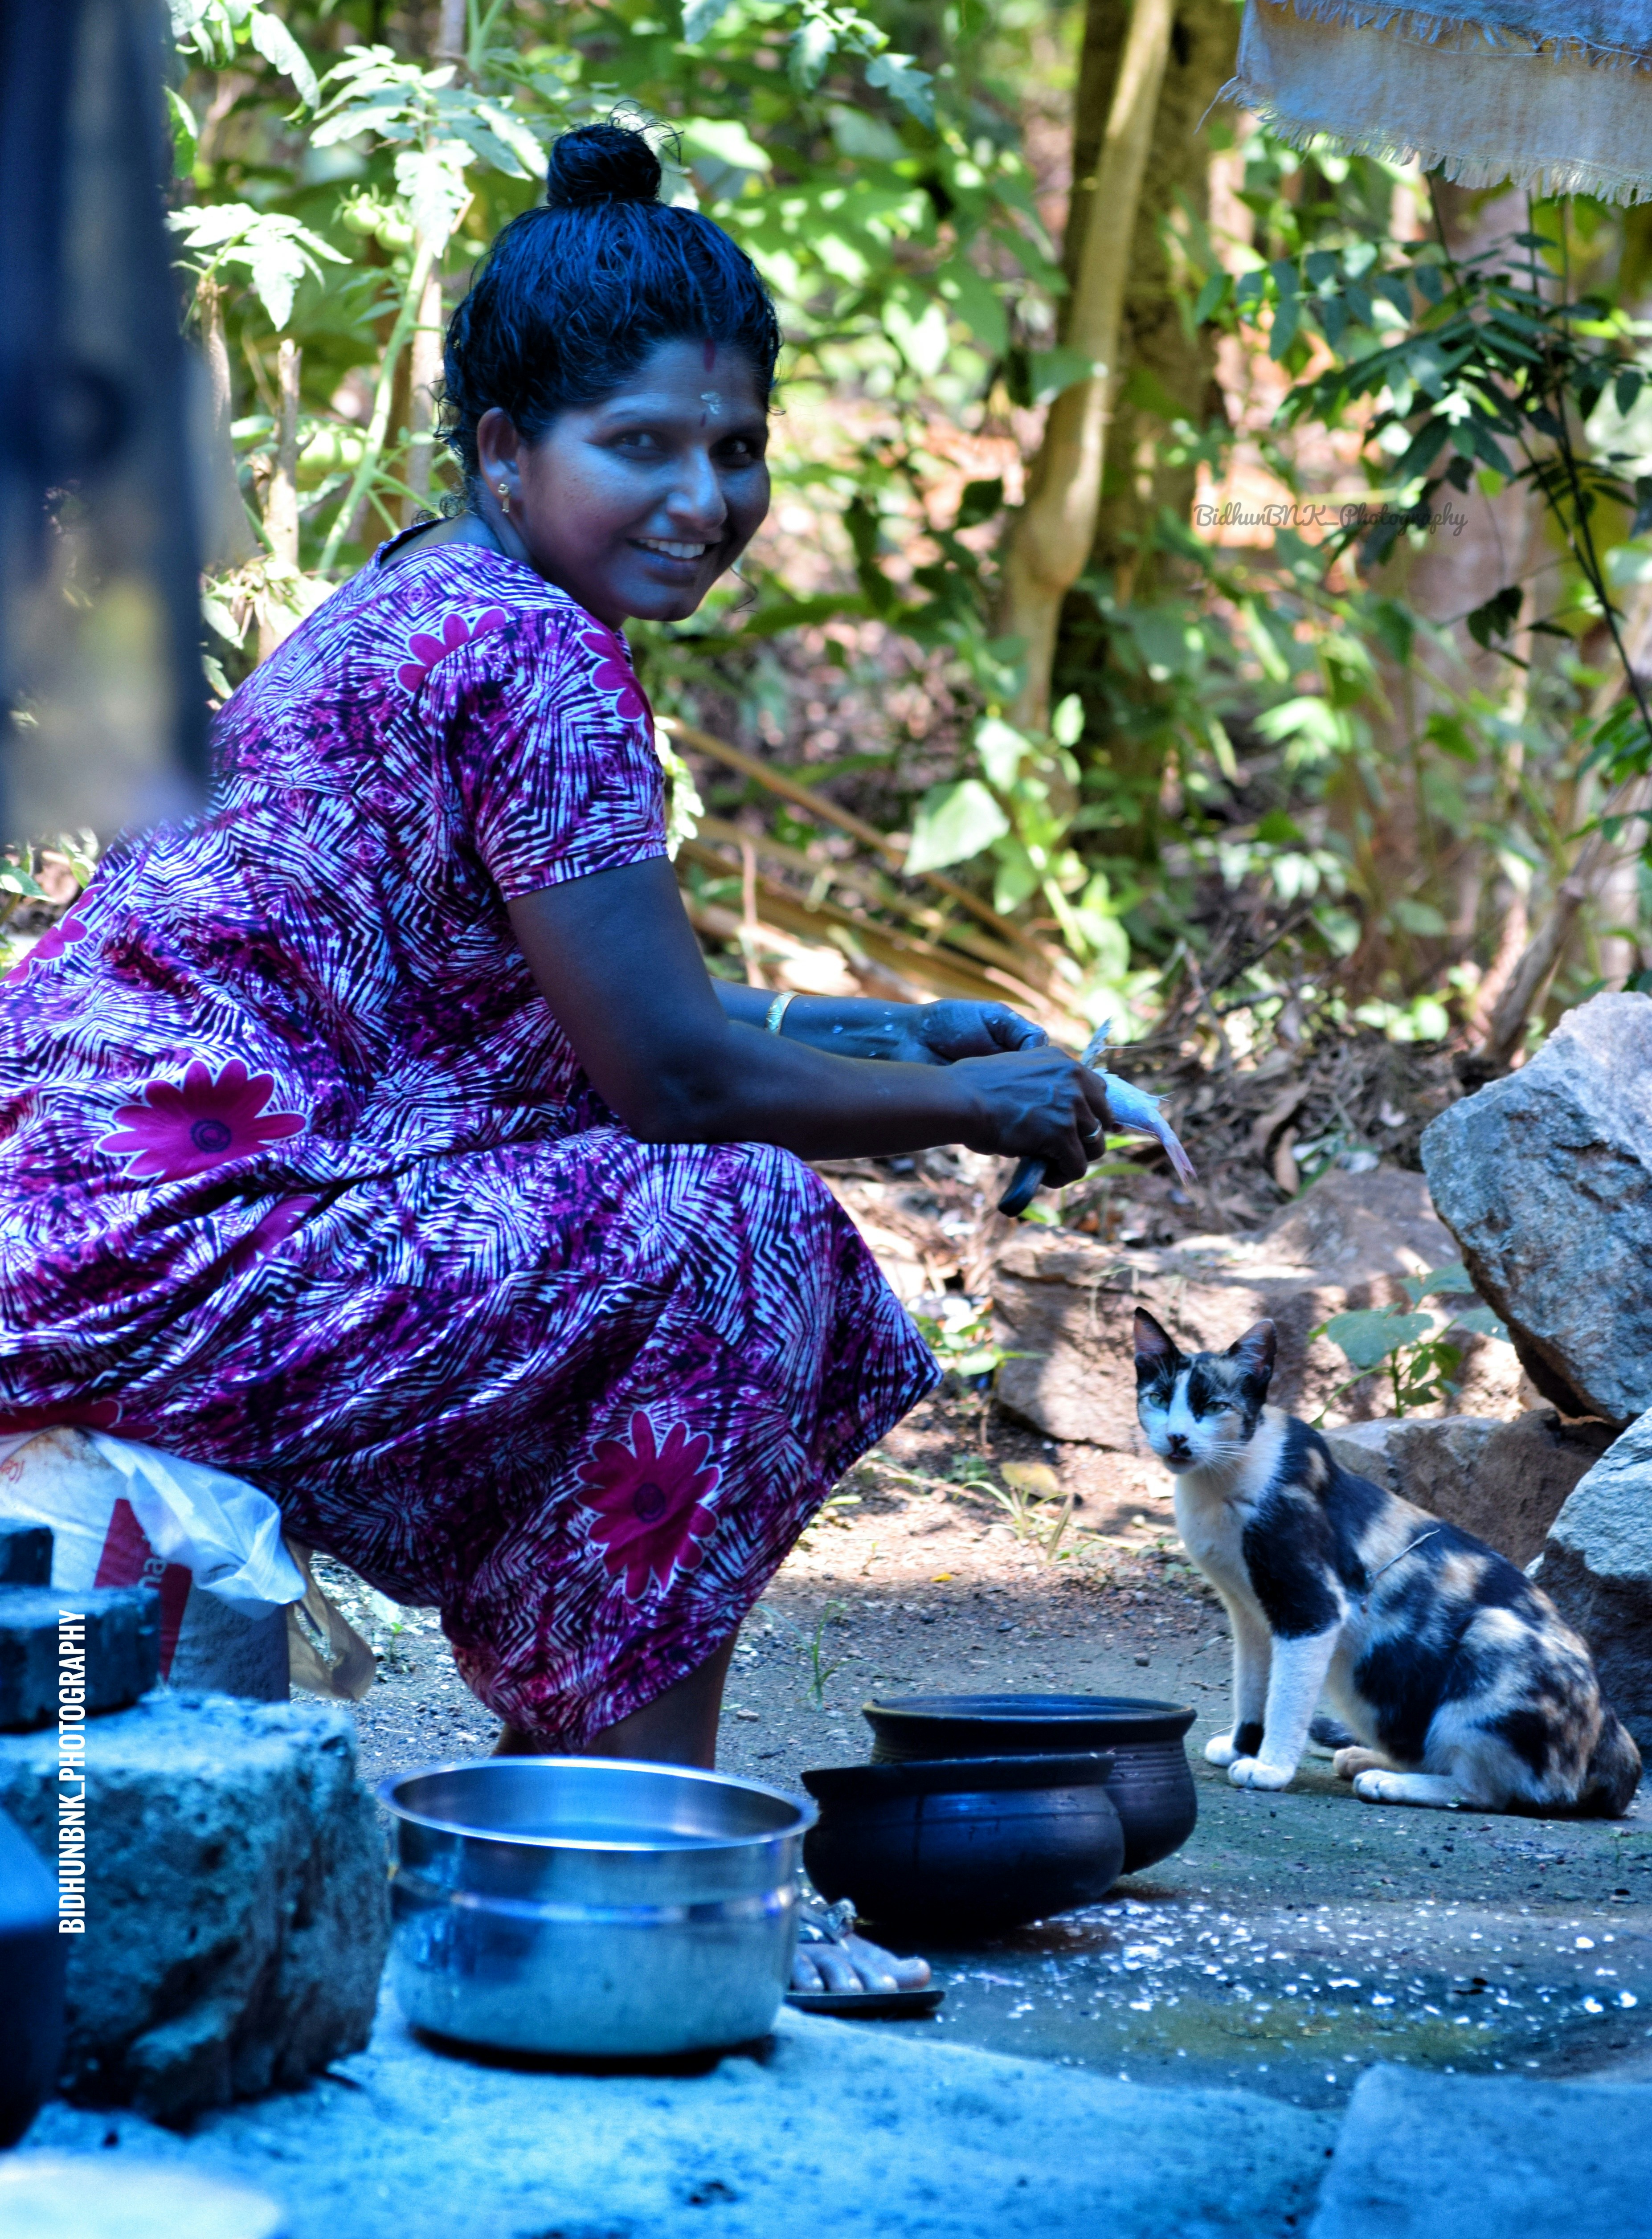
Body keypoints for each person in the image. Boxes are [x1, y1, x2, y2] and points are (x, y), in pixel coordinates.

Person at [0, 122, 1116, 1998]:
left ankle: (568, 1813)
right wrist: (977, 1104)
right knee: (737, 1235)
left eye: (737, 447)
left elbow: (563, 989)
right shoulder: (544, 665)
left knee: (705, 1210)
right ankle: (630, 1848)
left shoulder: (418, 595)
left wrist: (887, 1029)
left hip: (82, 1219)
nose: (703, 497)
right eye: (642, 445)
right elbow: (671, 1084)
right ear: (510, 450)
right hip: (173, 1246)